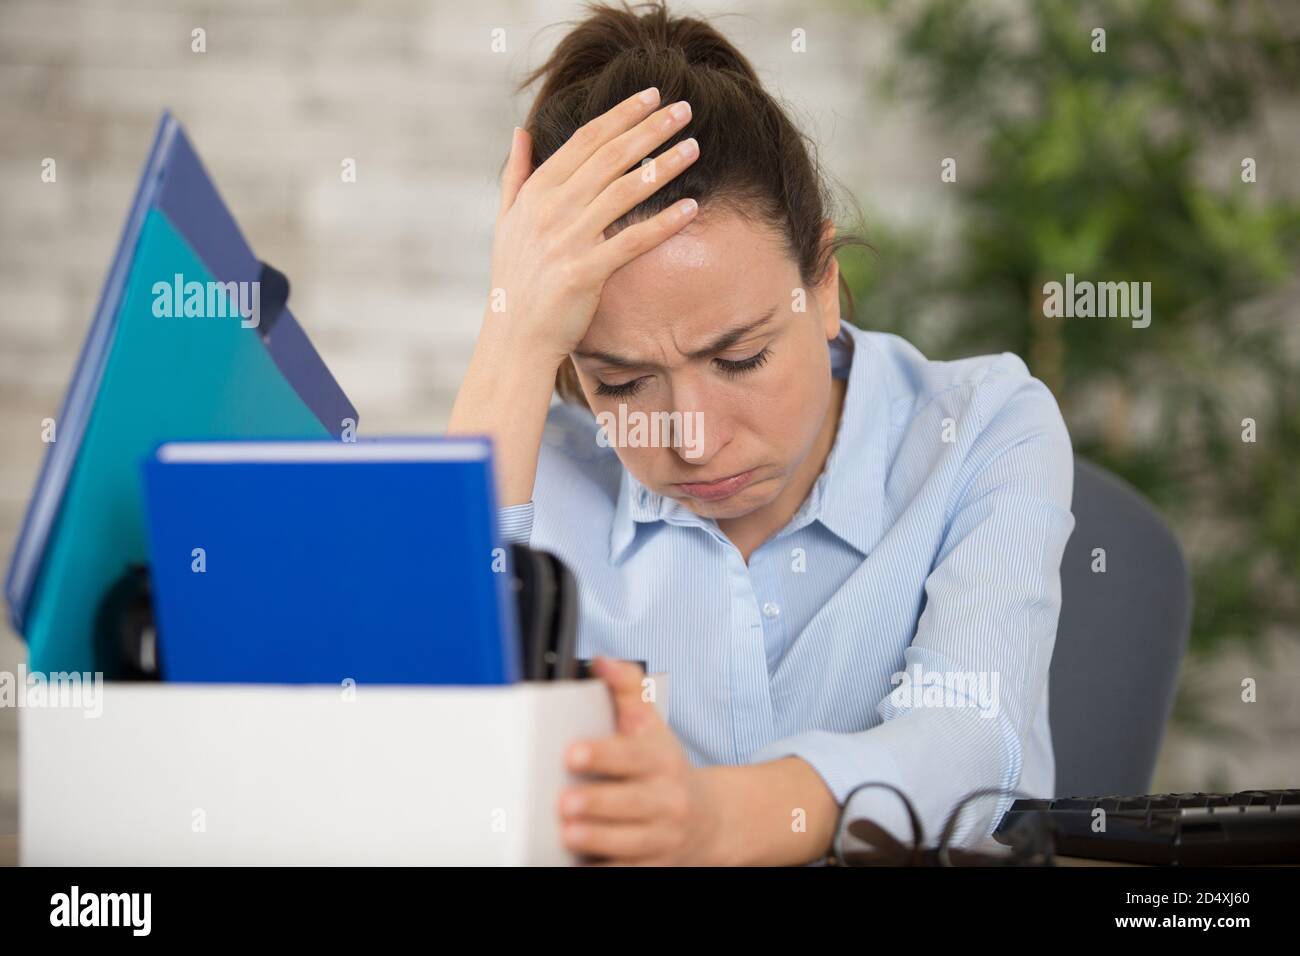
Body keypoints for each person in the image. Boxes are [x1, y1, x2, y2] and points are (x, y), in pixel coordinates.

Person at [449, 1, 1074, 865]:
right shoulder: (528, 470)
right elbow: (412, 737)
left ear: (822, 283)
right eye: (621, 382)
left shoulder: (980, 428)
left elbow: (969, 744)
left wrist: (711, 820)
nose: (694, 440)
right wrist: (513, 335)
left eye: (740, 358)